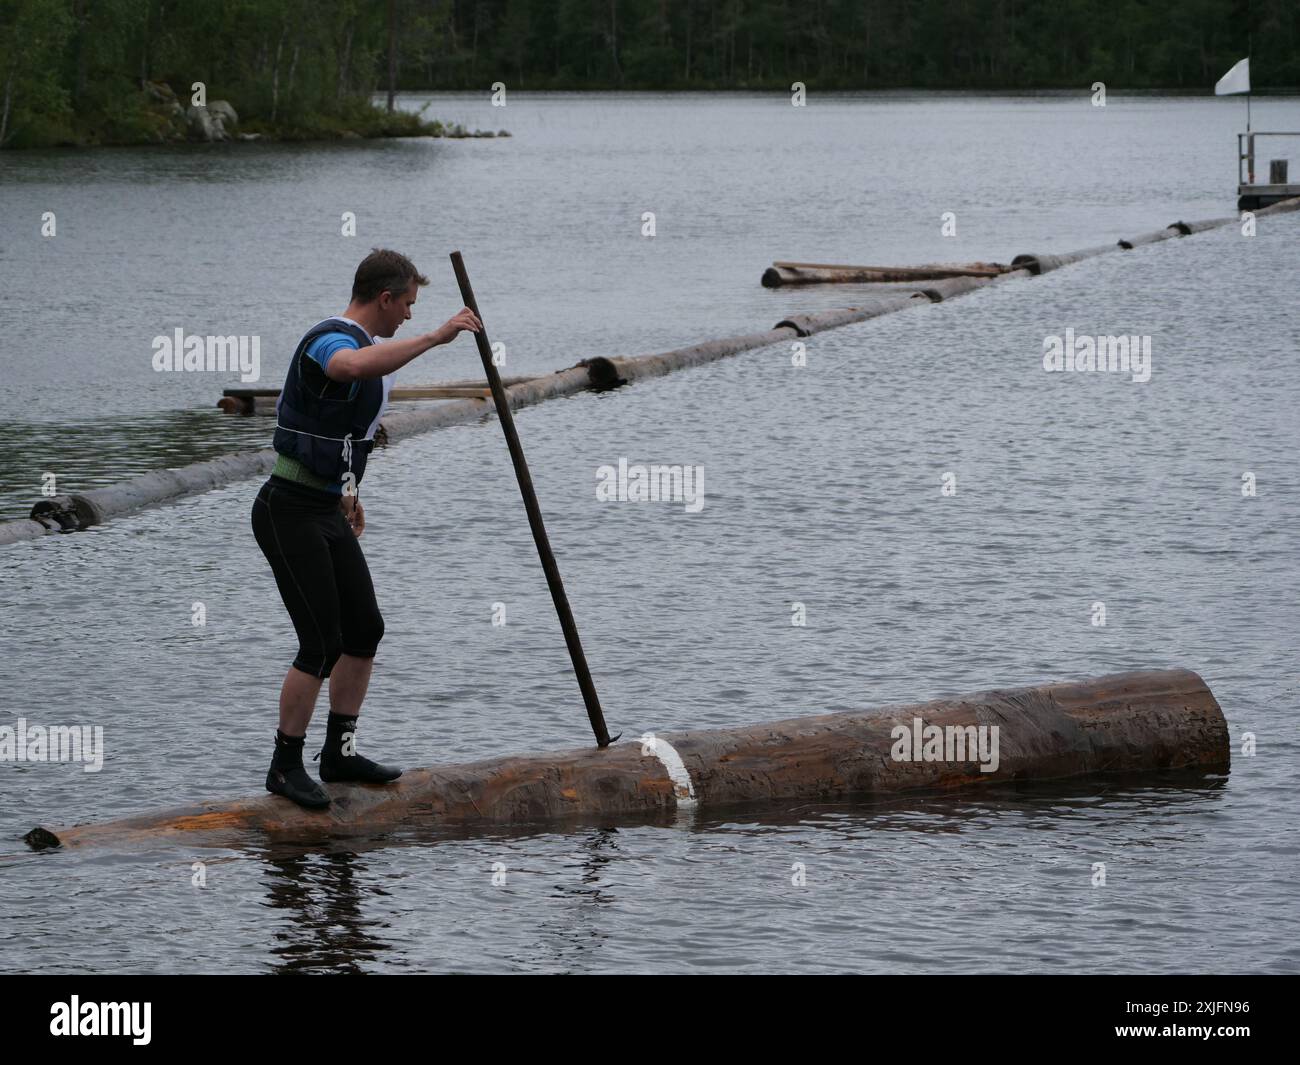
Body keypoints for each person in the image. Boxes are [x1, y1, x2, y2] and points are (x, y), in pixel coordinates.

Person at [250, 248, 481, 809]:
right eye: (406, 305)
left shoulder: (371, 347)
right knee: (320, 642)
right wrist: (434, 337)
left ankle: (340, 753)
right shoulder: (330, 338)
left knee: (365, 630)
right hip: (286, 510)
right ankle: (285, 766)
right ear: (385, 298)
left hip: (325, 509)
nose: (407, 315)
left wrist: (350, 495)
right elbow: (344, 368)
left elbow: (346, 433)